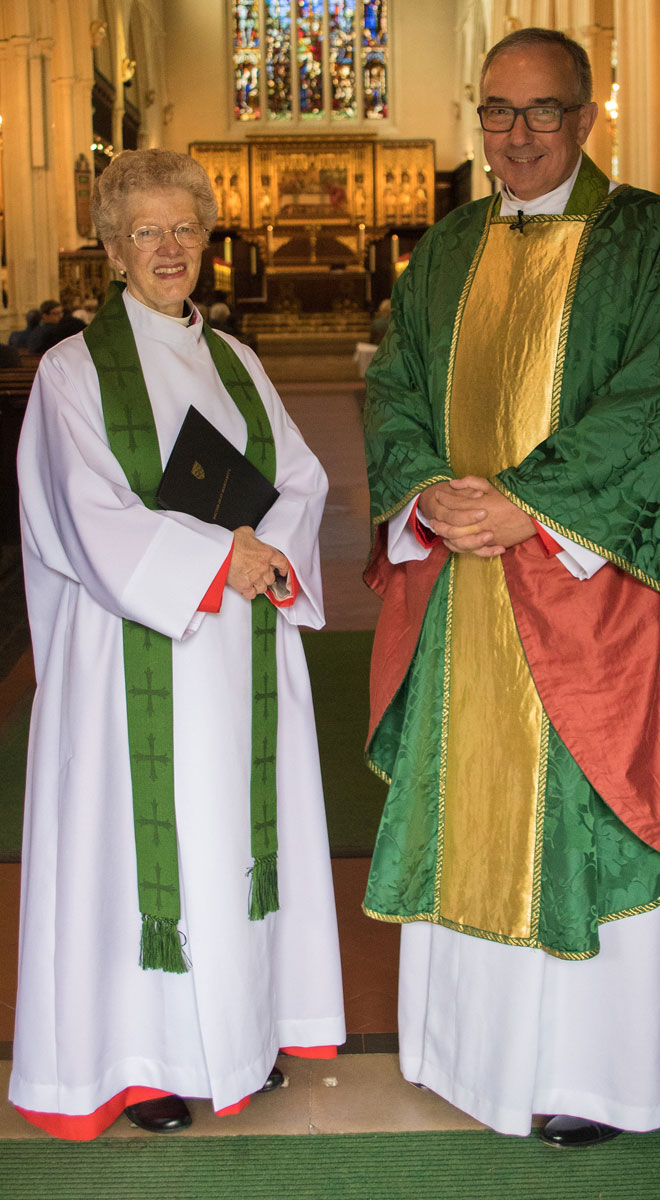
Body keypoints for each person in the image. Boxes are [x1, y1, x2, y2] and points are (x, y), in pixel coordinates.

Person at [362, 28, 660, 1148]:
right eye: (495, 113)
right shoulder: (447, 247)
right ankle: (472, 1059)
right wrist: (427, 491)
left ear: (586, 113)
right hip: (470, 596)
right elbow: (396, 379)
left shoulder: (642, 239)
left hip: (600, 602)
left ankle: (602, 1078)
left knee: (591, 819)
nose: (514, 136)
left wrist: (529, 504)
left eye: (540, 112)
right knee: (474, 802)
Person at [11, 148, 345, 1139]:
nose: (167, 249)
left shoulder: (237, 362)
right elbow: (81, 513)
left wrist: (260, 555)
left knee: (234, 838)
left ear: (206, 238)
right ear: (112, 249)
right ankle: (143, 1057)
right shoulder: (72, 374)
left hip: (234, 646)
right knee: (140, 851)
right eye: (144, 231)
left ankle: (242, 1037)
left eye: (183, 228)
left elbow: (303, 479)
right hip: (132, 658)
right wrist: (216, 563)